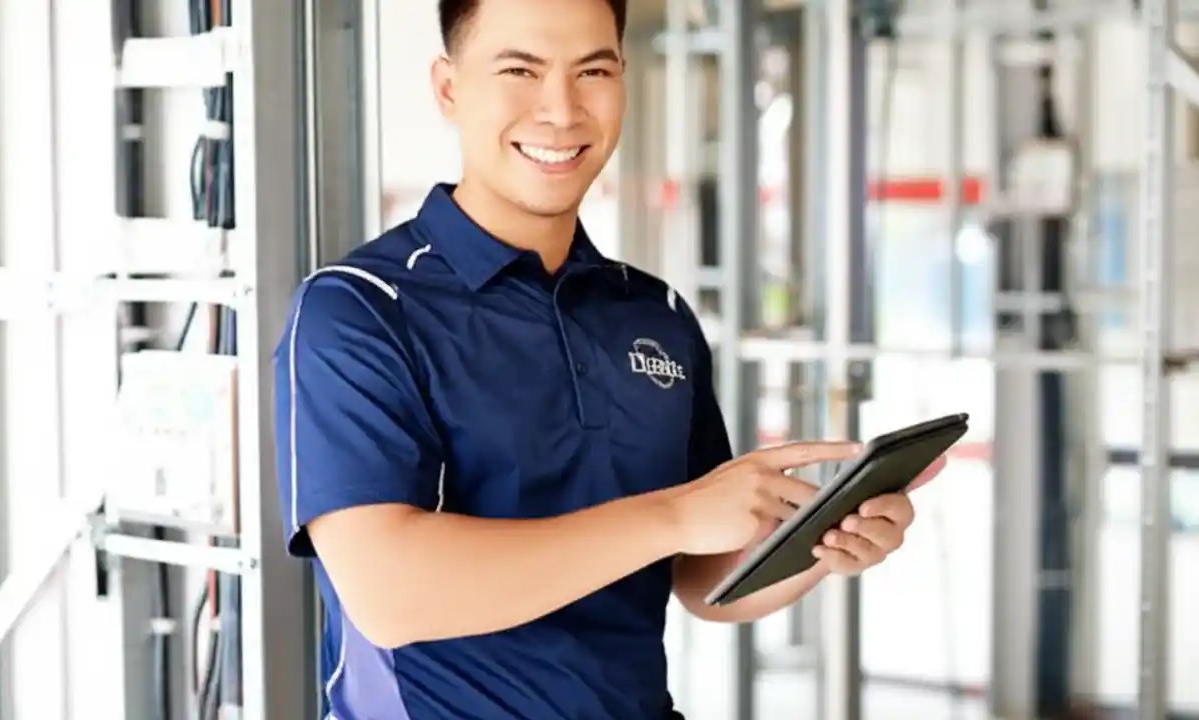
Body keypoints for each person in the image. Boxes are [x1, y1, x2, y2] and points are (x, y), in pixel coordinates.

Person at [272, 0, 945, 717]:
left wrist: (822, 540)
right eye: (520, 71)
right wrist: (675, 515)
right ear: (448, 88)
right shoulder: (360, 309)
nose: (562, 110)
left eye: (593, 71)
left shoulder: (656, 315)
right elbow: (389, 595)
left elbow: (704, 581)